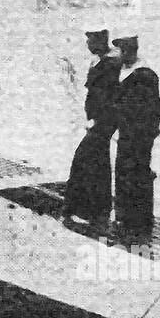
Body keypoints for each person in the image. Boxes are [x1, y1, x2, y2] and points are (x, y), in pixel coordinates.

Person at [64, 29, 120, 224]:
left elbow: (109, 97)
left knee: (86, 159)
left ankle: (88, 210)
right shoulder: (100, 61)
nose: (87, 44)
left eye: (90, 40)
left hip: (103, 121)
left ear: (100, 40)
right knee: (98, 161)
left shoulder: (110, 64)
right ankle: (98, 210)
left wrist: (97, 120)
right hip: (99, 121)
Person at [112, 35, 160, 236]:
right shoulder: (126, 72)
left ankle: (139, 221)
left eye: (122, 50)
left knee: (137, 173)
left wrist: (147, 130)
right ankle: (125, 218)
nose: (120, 54)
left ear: (130, 50)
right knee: (125, 172)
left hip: (139, 135)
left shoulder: (144, 75)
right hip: (128, 132)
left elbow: (155, 107)